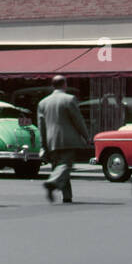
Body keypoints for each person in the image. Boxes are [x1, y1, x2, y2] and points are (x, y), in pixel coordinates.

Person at [37, 76, 90, 204]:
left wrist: (43, 144)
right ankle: (52, 182)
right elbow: (78, 120)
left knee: (58, 167)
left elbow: (41, 125)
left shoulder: (43, 102)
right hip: (68, 139)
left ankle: (67, 196)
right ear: (64, 84)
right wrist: (86, 135)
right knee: (66, 165)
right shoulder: (69, 99)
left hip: (51, 140)